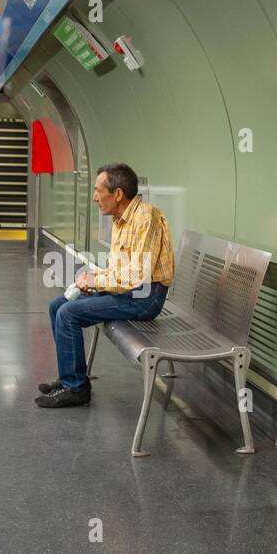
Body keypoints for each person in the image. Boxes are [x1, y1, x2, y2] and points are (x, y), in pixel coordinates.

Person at [36, 163, 175, 408]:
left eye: (98, 190)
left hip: (146, 297)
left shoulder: (145, 218)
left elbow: (138, 277)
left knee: (68, 314)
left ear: (118, 194)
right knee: (59, 305)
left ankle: (76, 389)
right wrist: (92, 278)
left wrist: (98, 281)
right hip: (130, 291)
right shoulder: (121, 219)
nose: (94, 197)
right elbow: (118, 269)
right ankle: (71, 378)